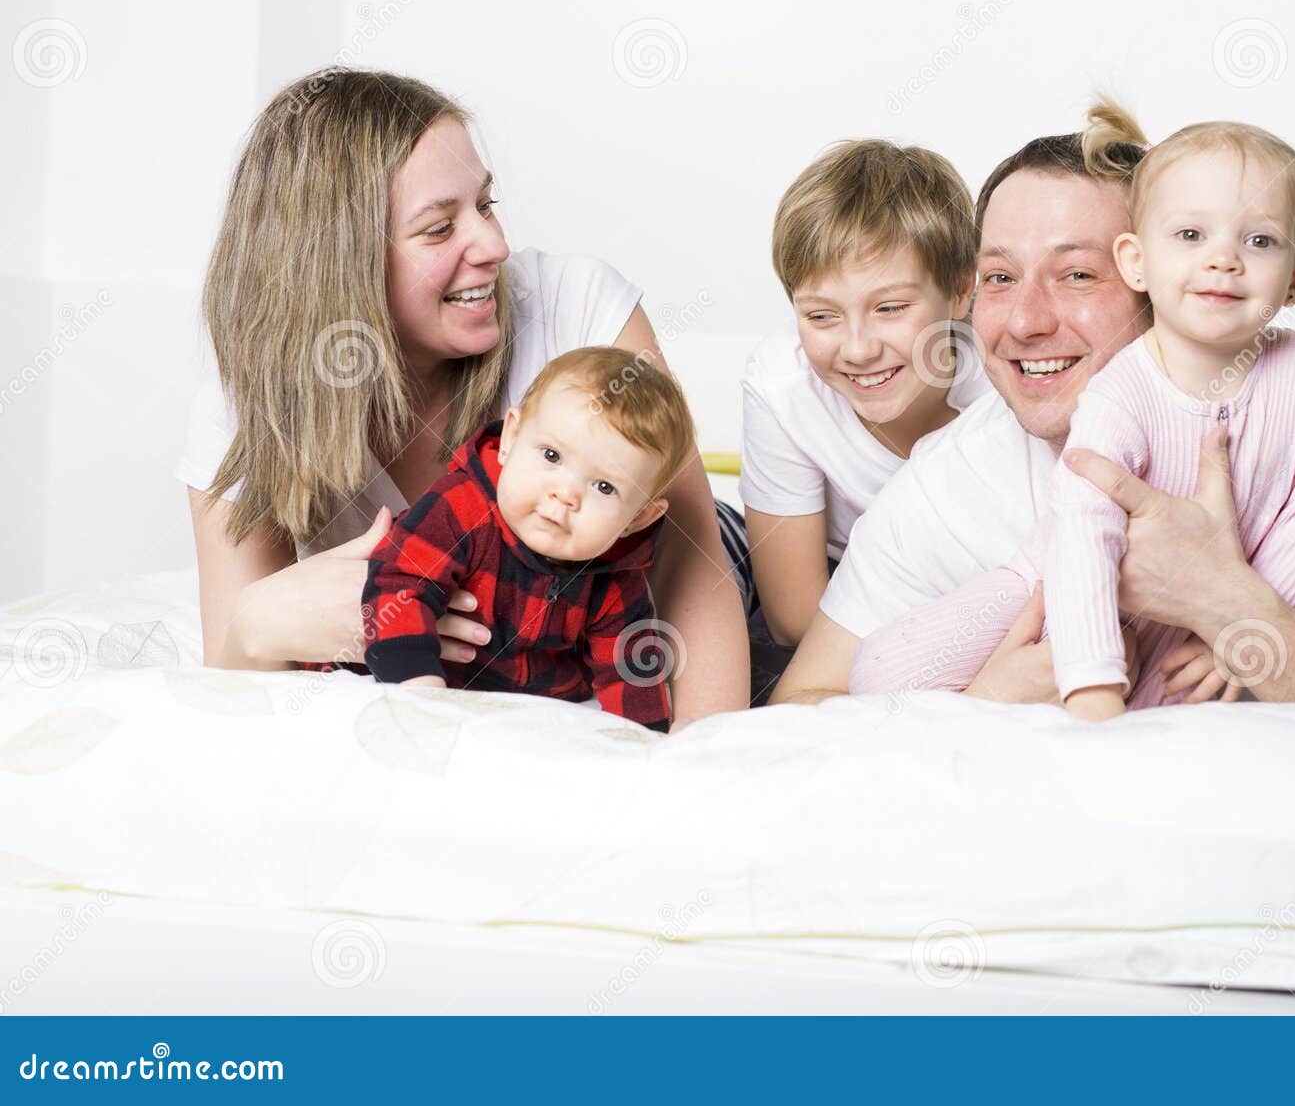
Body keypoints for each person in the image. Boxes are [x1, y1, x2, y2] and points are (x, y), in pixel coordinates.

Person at [773, 125, 1295, 714]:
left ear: (1153, 280)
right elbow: (797, 706)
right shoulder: (948, 479)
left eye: (1078, 274)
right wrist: (976, 708)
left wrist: (1227, 600)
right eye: (1001, 277)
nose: (1028, 319)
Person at [176, 68, 749, 728]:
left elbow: (693, 564)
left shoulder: (575, 307)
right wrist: (256, 618)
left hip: (666, 564)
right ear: (339, 264)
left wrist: (699, 769)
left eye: (486, 205)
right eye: (440, 229)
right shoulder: (248, 406)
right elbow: (232, 684)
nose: (495, 245)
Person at [740, 140, 986, 700]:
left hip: (974, 594)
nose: (857, 349)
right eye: (821, 316)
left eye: (891, 308)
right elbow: (794, 622)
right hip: (837, 611)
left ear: (961, 291)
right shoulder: (783, 384)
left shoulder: (1003, 384)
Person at [363, 348, 694, 729]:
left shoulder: (614, 574)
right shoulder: (461, 509)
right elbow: (397, 584)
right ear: (510, 439)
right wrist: (421, 690)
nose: (566, 494)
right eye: (552, 455)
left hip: (541, 705)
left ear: (638, 518)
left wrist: (646, 741)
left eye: (604, 486)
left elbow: (629, 670)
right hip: (433, 679)